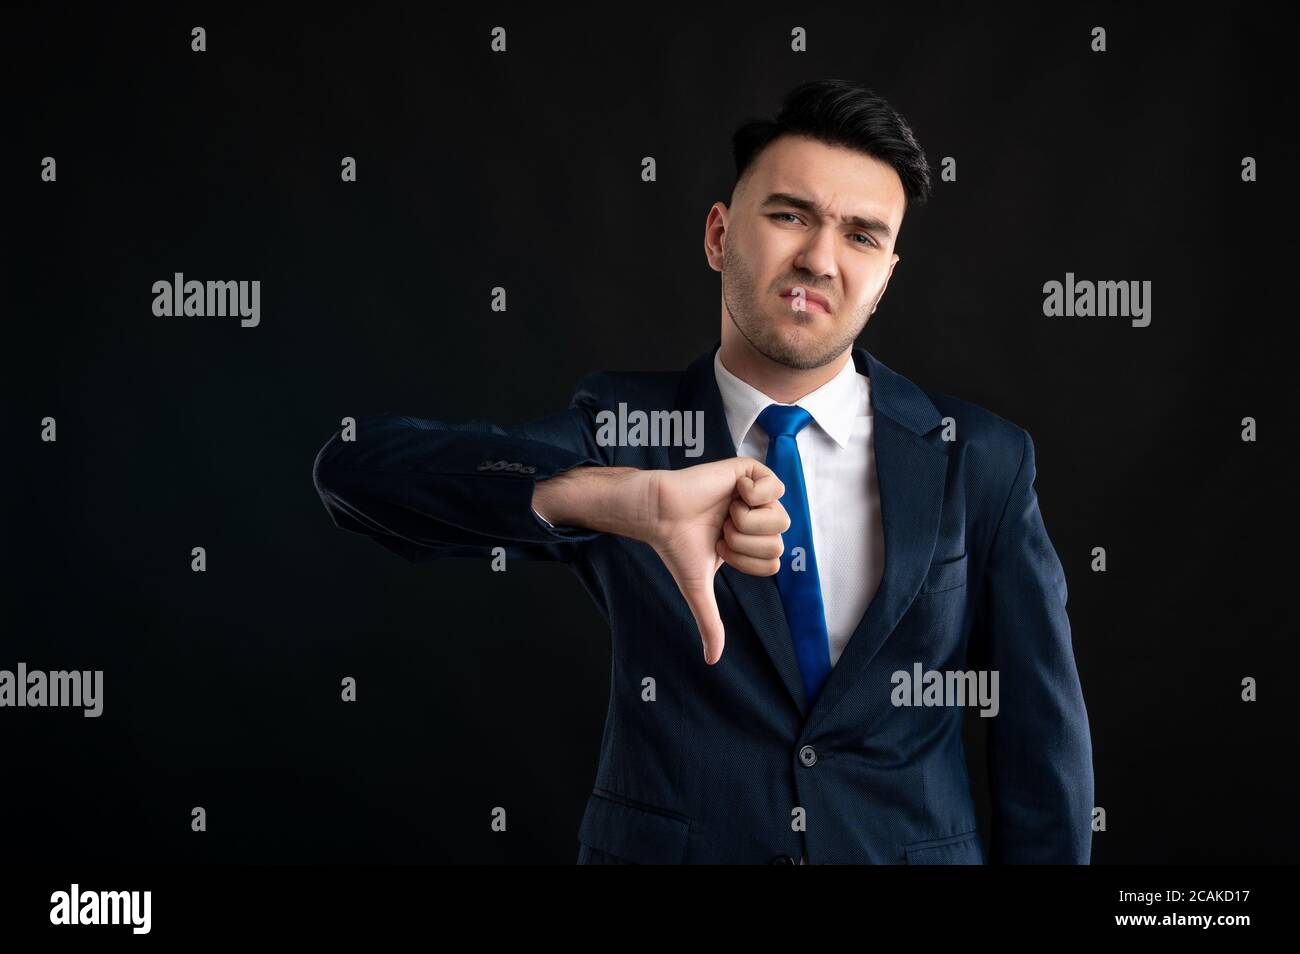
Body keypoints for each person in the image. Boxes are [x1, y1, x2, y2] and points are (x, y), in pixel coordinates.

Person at [312, 78, 1094, 864]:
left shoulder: (980, 457)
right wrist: (613, 495)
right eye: (790, 216)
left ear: (885, 276)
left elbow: (1043, 743)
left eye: (861, 236)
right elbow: (356, 472)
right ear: (719, 235)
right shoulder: (623, 429)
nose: (819, 260)